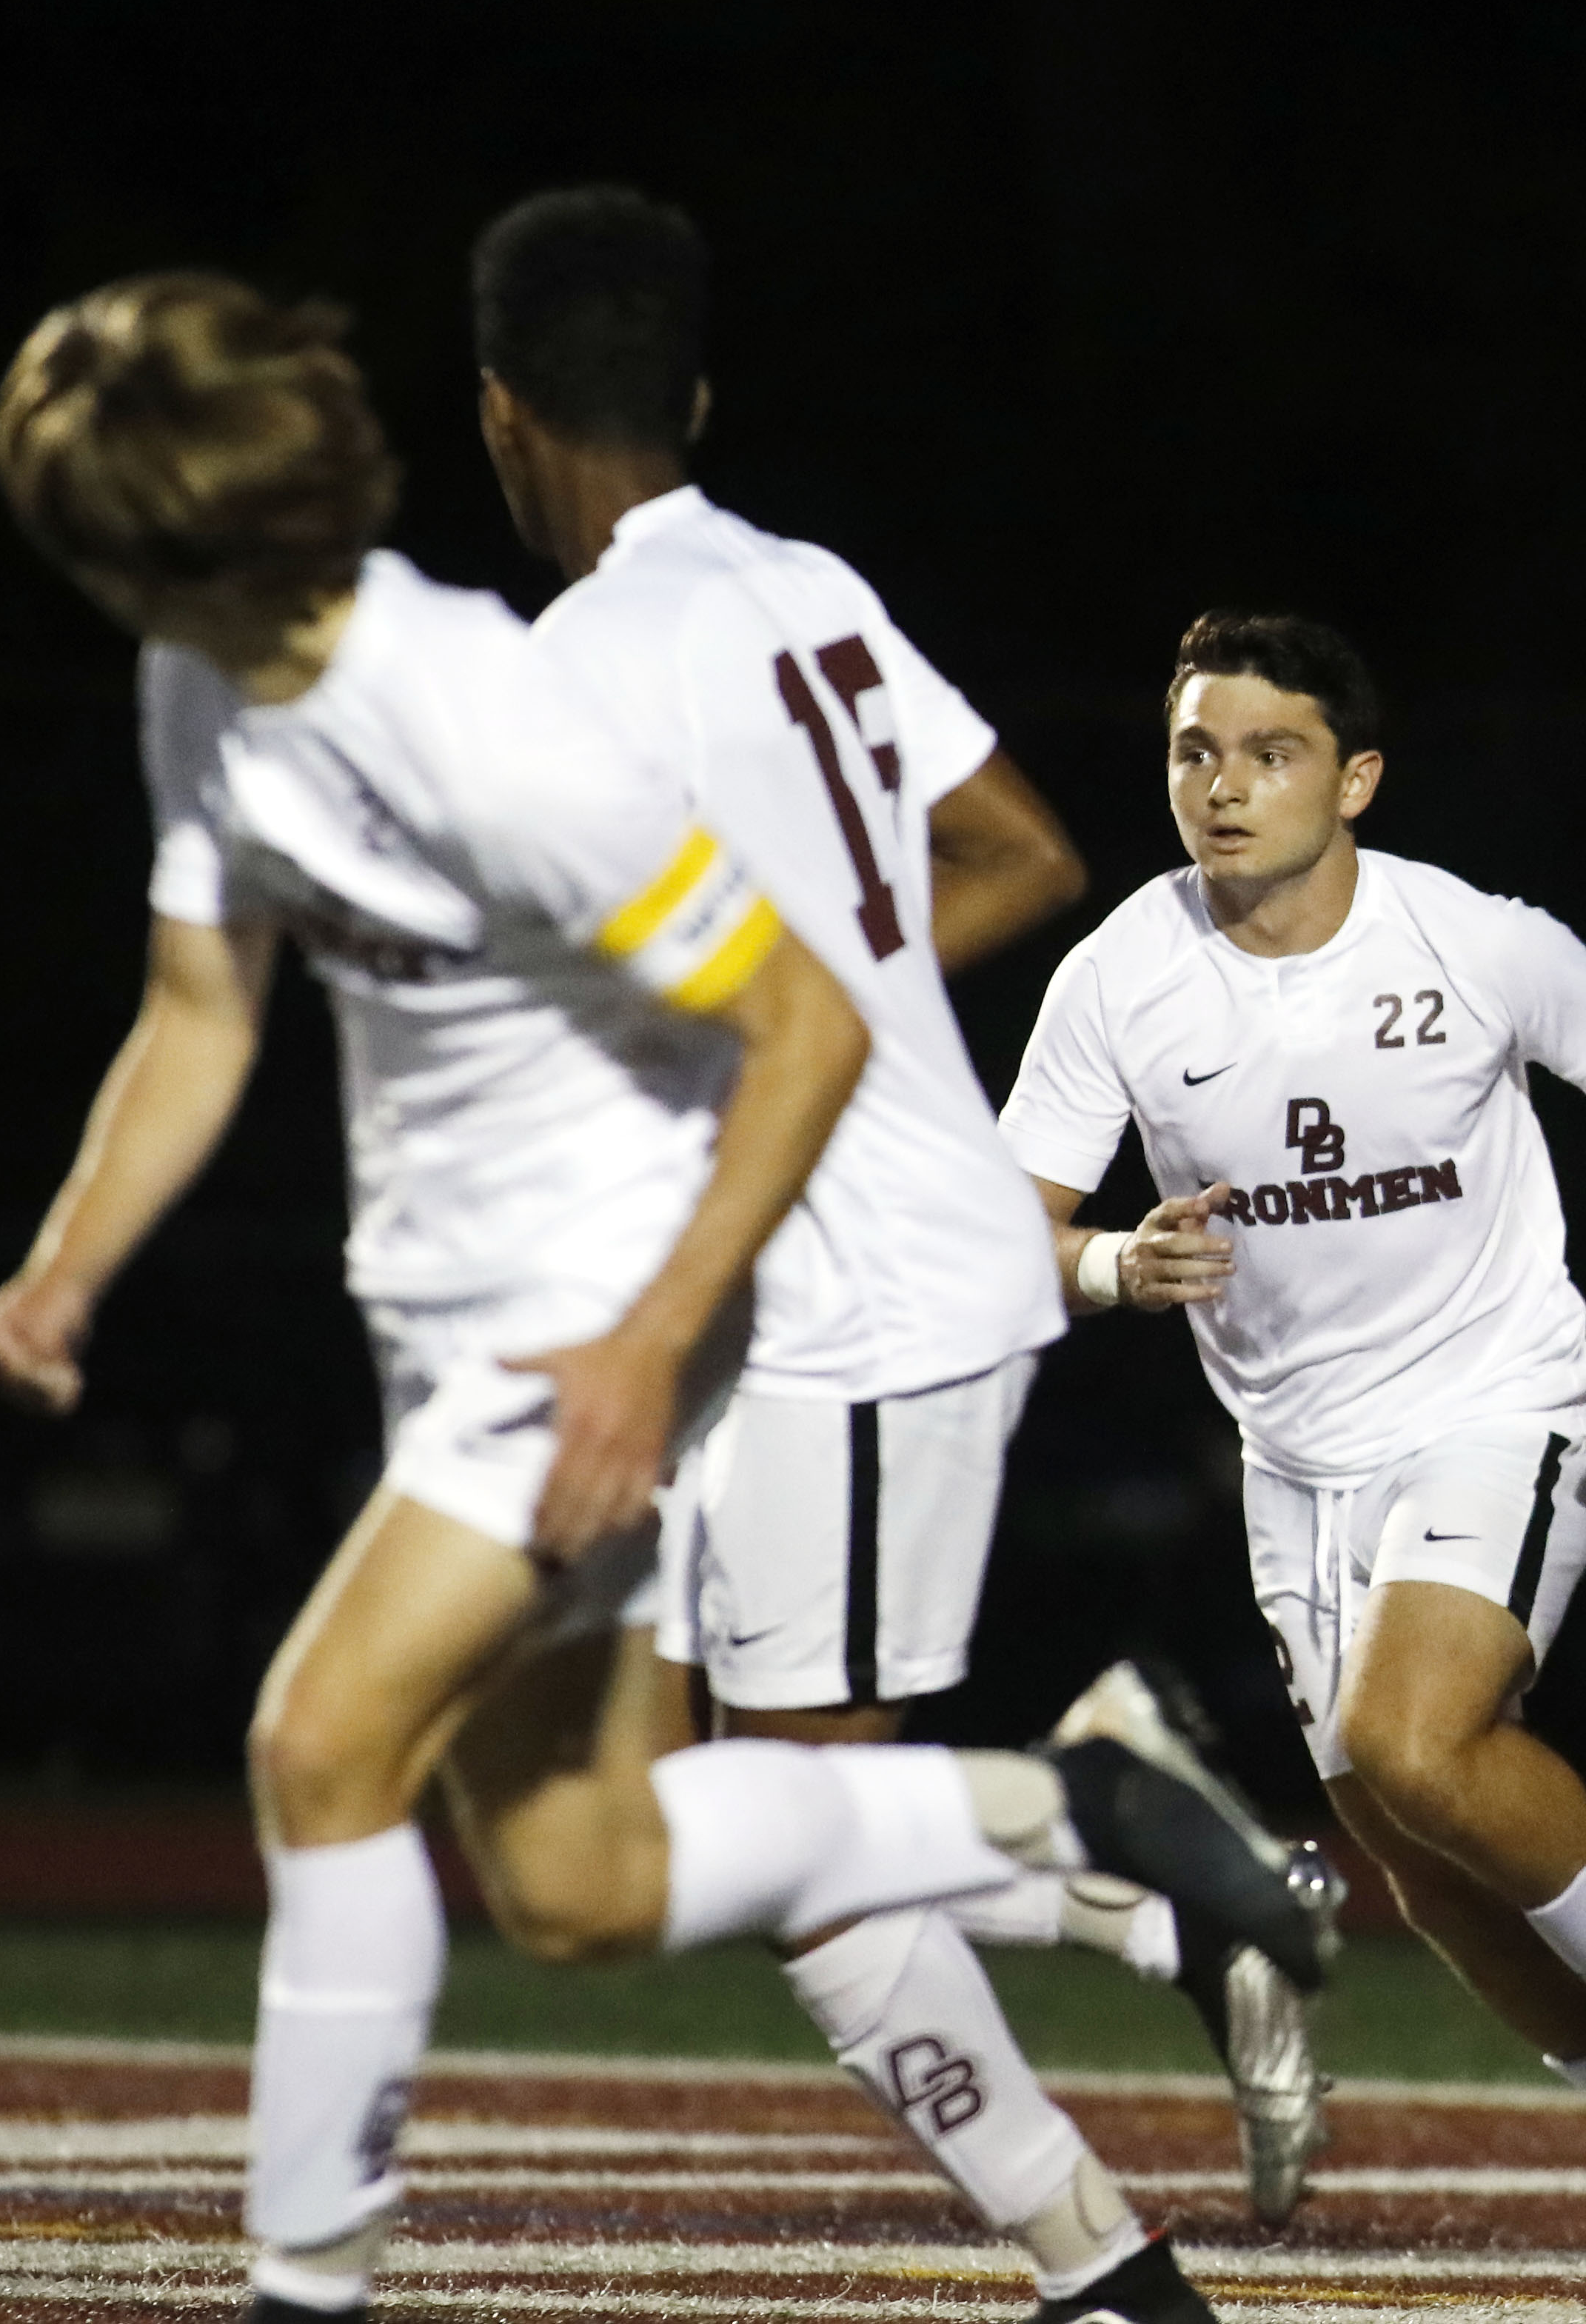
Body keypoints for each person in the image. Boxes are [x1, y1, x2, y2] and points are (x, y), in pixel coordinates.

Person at [0, 274, 1325, 2324]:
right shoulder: (202, 677)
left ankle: (302, 2294)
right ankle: (1081, 1804)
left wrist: (650, 1339)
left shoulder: (495, 726)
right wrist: (67, 1262)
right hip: (463, 1317)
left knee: (320, 1747)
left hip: (605, 1301)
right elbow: (197, 995)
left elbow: (800, 1025)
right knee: (580, 1876)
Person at [479, 187, 1331, 2241]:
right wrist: (816, 1017)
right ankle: (1140, 1976)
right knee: (732, 1833)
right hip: (828, 1278)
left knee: (784, 1842)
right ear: (690, 391)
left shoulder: (569, 666)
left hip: (842, 1297)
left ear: (503, 414)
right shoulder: (803, 586)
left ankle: (1142, 1882)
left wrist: (758, 1052)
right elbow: (1024, 844)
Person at [996, 611, 1586, 2267]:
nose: (1221, 788)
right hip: (1291, 1466)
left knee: (1417, 1741)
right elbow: (1005, 1227)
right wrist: (1105, 1264)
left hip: (1494, 1407)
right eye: (1193, 752)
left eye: (1267, 753)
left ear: (1353, 778)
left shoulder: (1469, 943)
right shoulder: (1121, 975)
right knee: (1416, 1861)